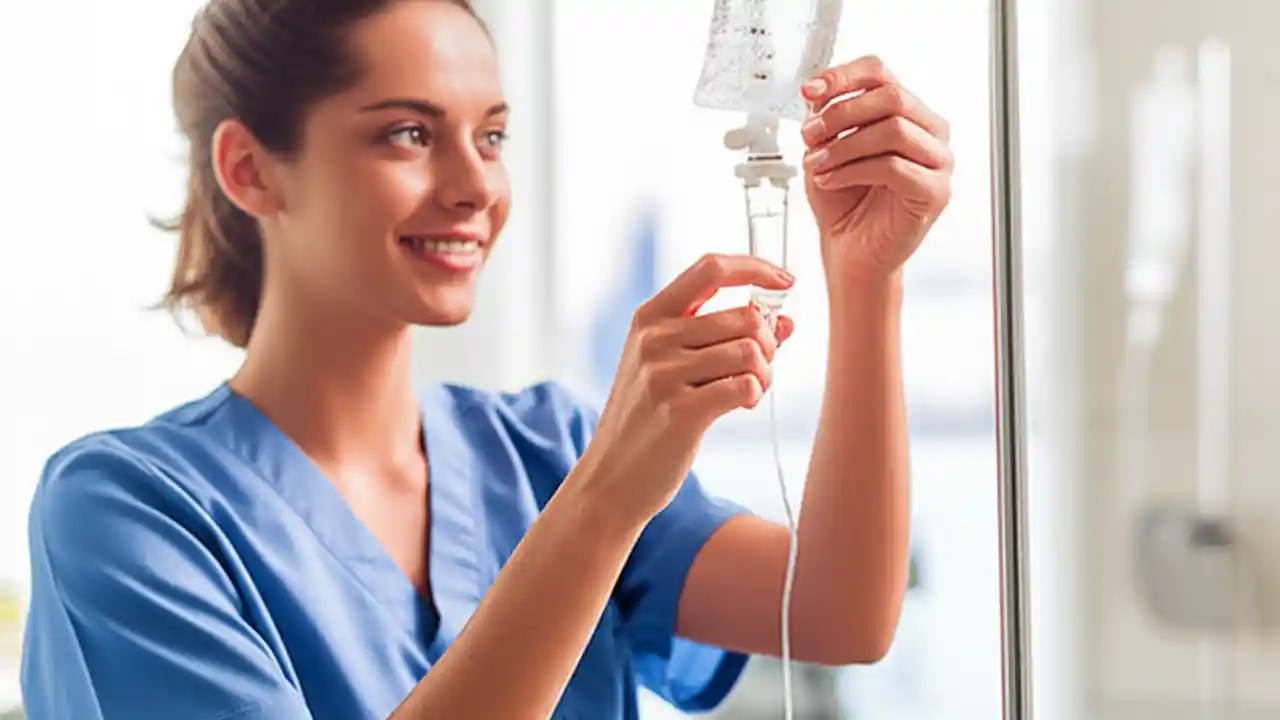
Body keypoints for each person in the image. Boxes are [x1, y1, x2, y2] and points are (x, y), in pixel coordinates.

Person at [19, 1, 954, 718]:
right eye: (408, 133)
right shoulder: (125, 511)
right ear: (250, 168)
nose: (475, 188)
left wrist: (867, 279)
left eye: (493, 136)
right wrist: (606, 501)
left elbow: (840, 612)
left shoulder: (543, 448)